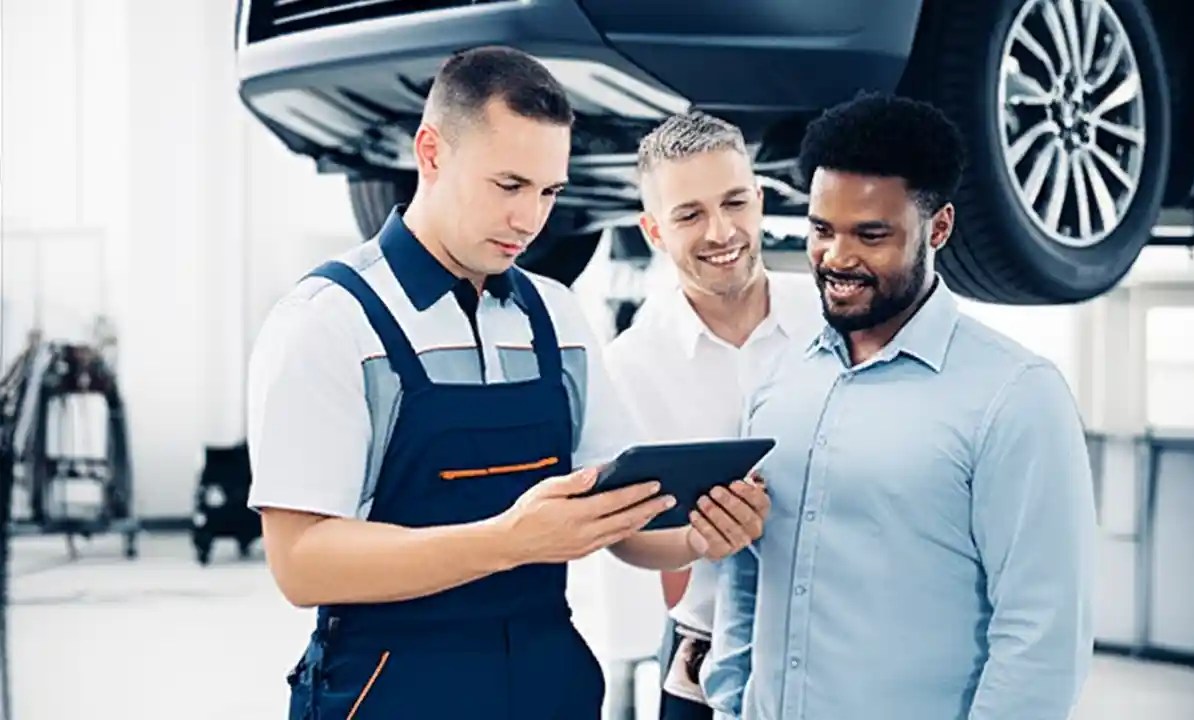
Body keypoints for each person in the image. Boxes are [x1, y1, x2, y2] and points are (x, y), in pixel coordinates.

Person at [246, 46, 767, 720]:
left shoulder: (555, 315)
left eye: (550, 192)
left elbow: (620, 519)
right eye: (509, 185)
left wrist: (700, 535)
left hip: (548, 684)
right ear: (431, 153)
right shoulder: (330, 322)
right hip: (391, 691)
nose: (531, 219)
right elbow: (302, 564)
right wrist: (510, 540)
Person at [700, 94, 1097, 720]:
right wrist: (727, 705)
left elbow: (1042, 634)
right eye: (821, 230)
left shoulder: (1015, 395)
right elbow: (750, 572)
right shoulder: (779, 380)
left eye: (871, 235)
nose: (837, 258)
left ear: (937, 228)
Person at [603, 112, 823, 720]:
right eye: (689, 214)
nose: (721, 231)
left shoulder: (834, 320)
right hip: (705, 659)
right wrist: (696, 540)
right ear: (653, 230)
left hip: (840, 651)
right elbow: (624, 536)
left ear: (758, 199)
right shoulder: (628, 366)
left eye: (734, 202)